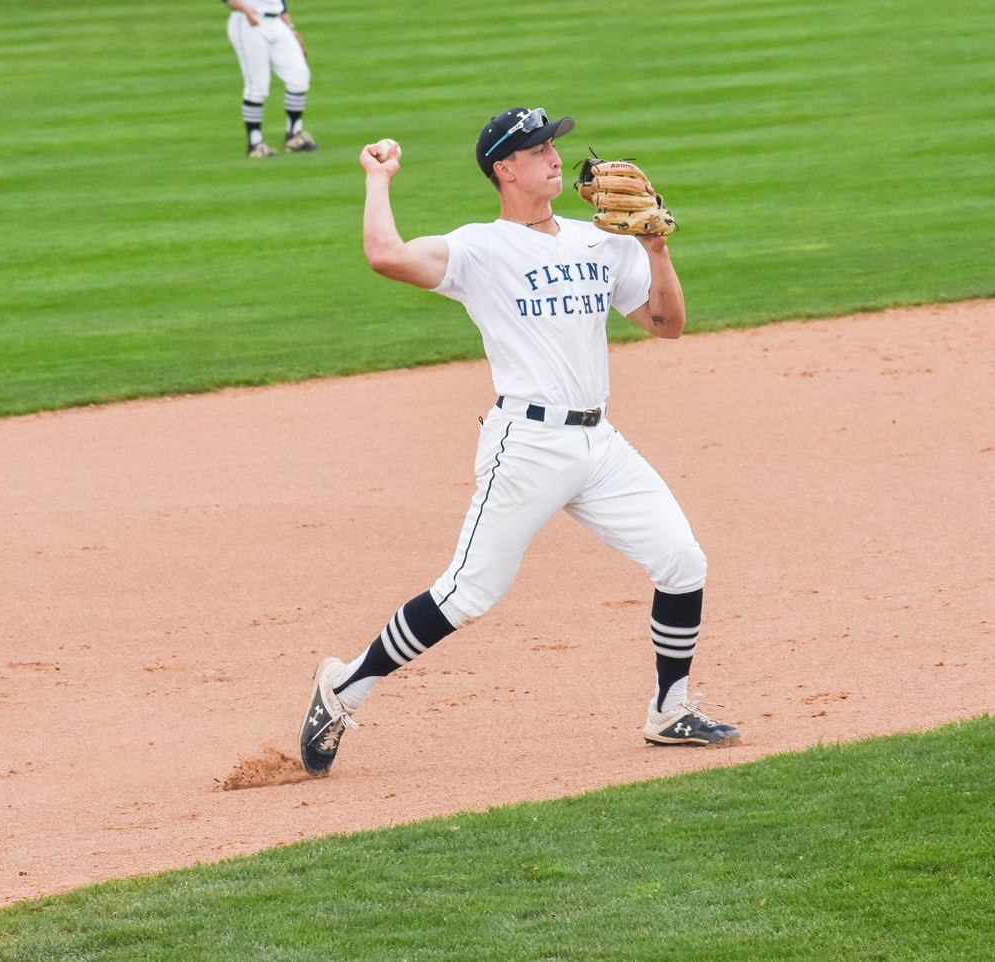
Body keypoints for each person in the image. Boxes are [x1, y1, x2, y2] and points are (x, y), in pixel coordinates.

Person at [298, 107, 742, 776]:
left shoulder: (604, 240)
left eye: (554, 144)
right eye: (538, 149)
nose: (555, 156)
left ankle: (669, 711)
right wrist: (377, 178)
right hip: (528, 447)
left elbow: (664, 322)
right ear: (505, 168)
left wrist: (657, 250)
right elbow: (384, 255)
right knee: (467, 594)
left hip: (601, 445)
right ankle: (342, 689)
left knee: (683, 561)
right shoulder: (481, 249)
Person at [222, 0, 317, 158]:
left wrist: (291, 28)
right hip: (249, 21)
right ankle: (255, 143)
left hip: (277, 22)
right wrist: (245, 9)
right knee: (257, 86)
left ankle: (294, 135)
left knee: (299, 76)